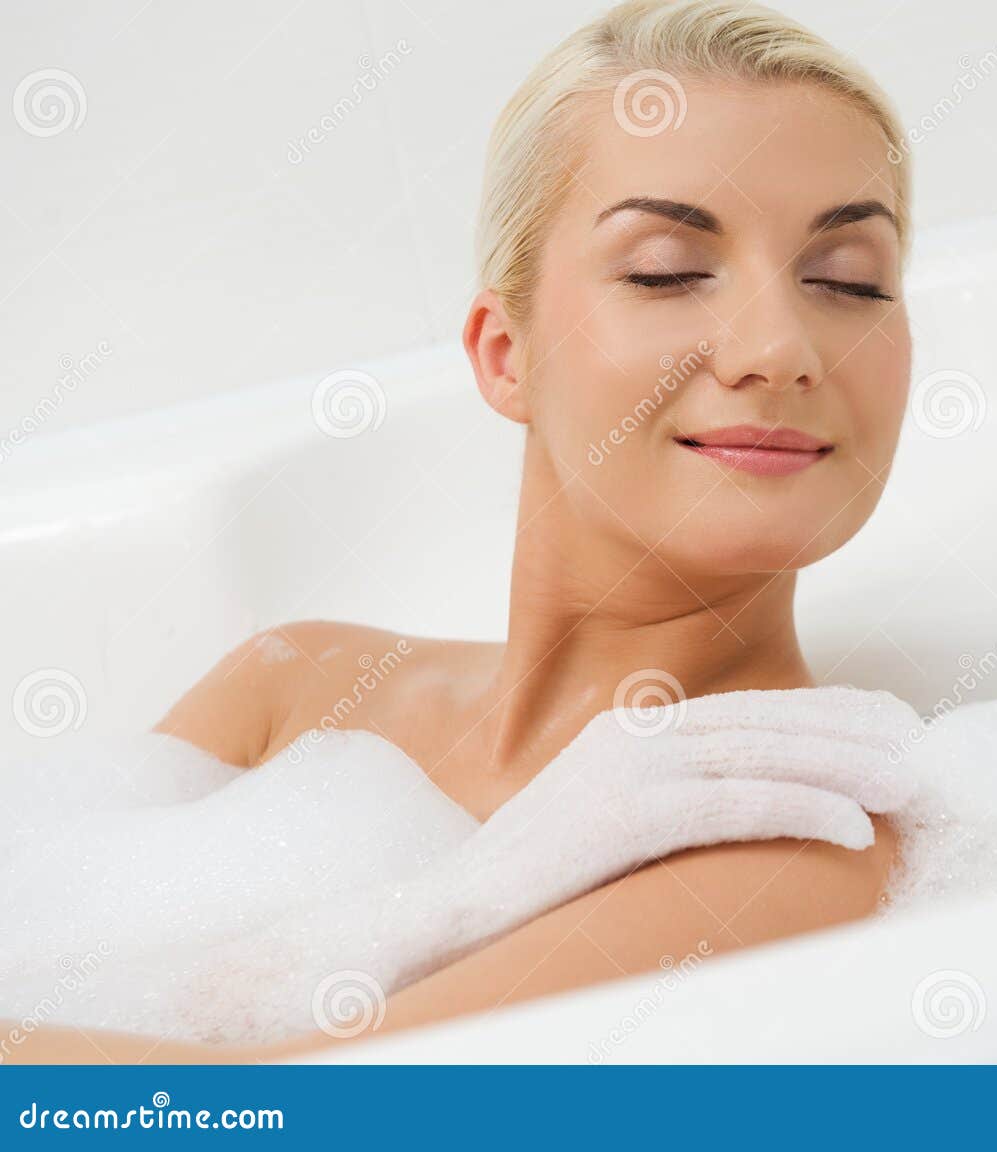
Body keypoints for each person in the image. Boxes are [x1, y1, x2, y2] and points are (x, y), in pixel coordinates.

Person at [6, 0, 914, 1062]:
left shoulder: (791, 823)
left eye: (849, 280)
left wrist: (456, 907)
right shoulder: (293, 684)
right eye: (667, 268)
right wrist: (466, 892)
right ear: (502, 354)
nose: (780, 345)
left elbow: (244, 1120)